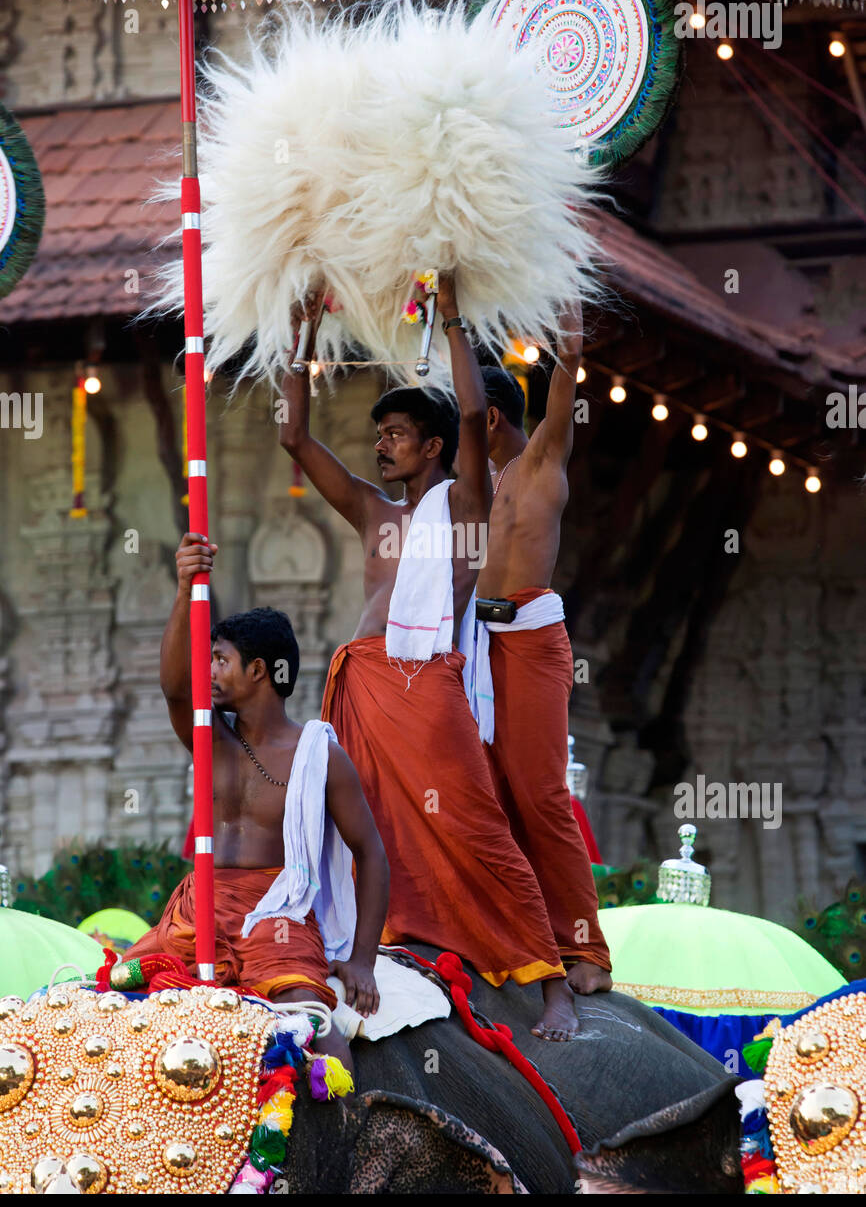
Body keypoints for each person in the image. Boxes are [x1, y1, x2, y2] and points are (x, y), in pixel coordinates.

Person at [280, 276, 582, 1039]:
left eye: (398, 432)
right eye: (380, 434)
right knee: (362, 822)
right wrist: (303, 340)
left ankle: (551, 985)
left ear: (436, 446)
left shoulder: (466, 507)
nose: (381, 444)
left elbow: (476, 409)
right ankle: (372, 947)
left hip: (430, 685)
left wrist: (449, 316)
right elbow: (293, 438)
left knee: (477, 825)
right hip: (364, 682)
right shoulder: (372, 513)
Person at [125, 532, 390, 1074]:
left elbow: (373, 854)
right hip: (198, 907)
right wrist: (183, 588)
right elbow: (176, 689)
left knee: (312, 1027)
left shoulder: (320, 755)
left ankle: (348, 1134)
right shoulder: (210, 736)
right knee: (115, 1001)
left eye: (220, 660)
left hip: (279, 913)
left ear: (259, 672)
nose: (209, 672)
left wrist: (362, 959)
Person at [466, 300, 612, 996]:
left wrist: (570, 337)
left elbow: (565, 380)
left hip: (529, 641)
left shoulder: (541, 458)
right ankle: (517, 936)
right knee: (486, 793)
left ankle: (588, 952)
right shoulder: (477, 486)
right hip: (479, 645)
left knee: (544, 796)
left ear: (490, 417)